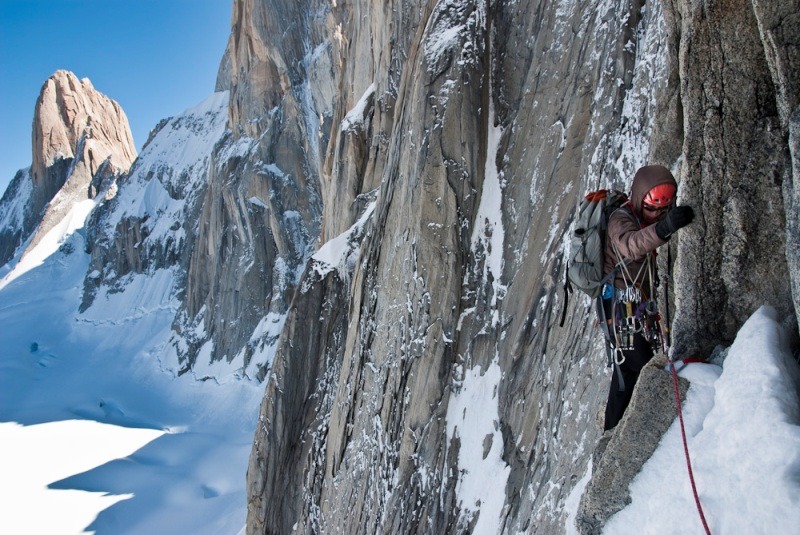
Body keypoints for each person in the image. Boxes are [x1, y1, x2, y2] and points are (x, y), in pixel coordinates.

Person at [602, 165, 694, 430]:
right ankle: (636, 430)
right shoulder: (621, 220)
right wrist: (664, 227)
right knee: (639, 365)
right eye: (652, 208)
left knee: (629, 368)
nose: (656, 214)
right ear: (640, 198)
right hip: (620, 308)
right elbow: (632, 244)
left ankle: (615, 428)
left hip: (635, 303)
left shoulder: (644, 218)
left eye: (663, 210)